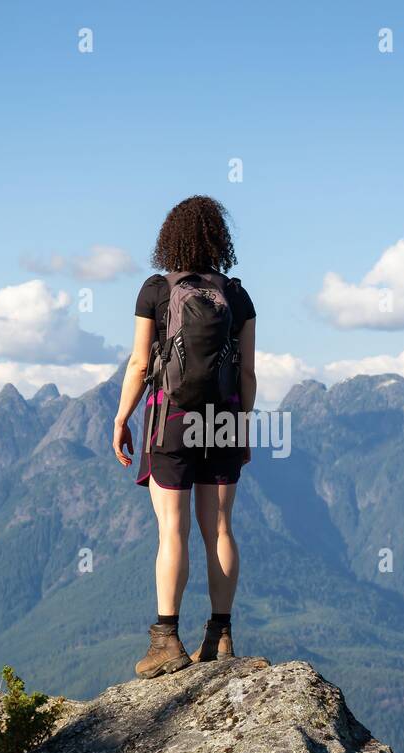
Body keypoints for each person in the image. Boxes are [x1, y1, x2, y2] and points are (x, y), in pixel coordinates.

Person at [112, 196, 257, 678]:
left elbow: (138, 363)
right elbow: (249, 375)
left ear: (170, 238)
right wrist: (243, 425)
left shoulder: (155, 290)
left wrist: (121, 418)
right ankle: (220, 635)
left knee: (171, 531)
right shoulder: (237, 297)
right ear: (220, 239)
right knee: (219, 528)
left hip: (170, 419)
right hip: (224, 420)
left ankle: (166, 640)